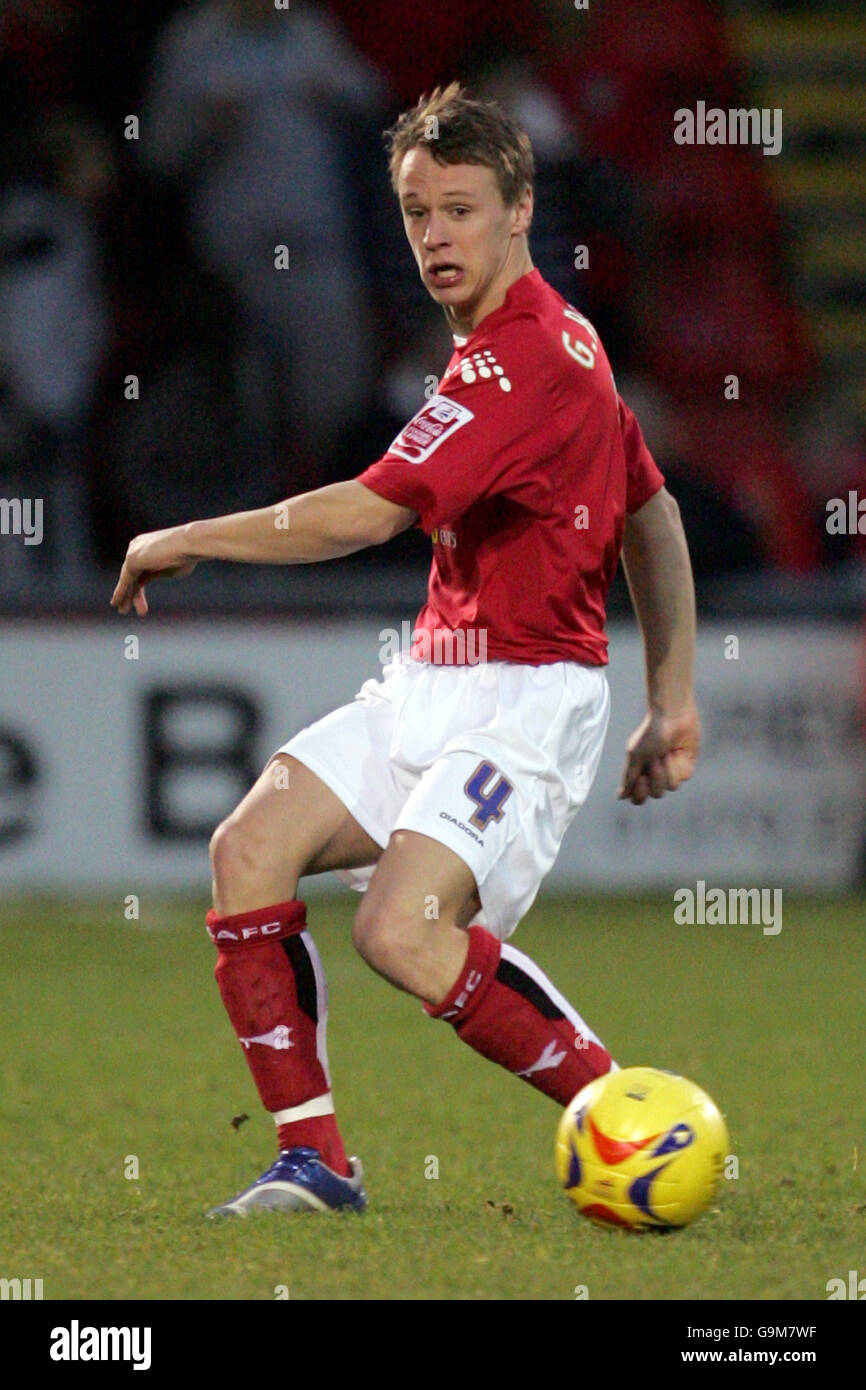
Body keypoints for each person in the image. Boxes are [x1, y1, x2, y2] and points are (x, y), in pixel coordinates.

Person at [111, 84, 700, 1217]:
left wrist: (187, 538)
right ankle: (315, 1164)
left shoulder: (524, 360)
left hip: (523, 700)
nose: (435, 235)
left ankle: (628, 1117)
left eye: (461, 210)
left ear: (520, 211)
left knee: (403, 931)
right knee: (248, 848)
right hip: (433, 675)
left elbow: (369, 512)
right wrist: (671, 699)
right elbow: (652, 510)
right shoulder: (549, 342)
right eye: (416, 212)